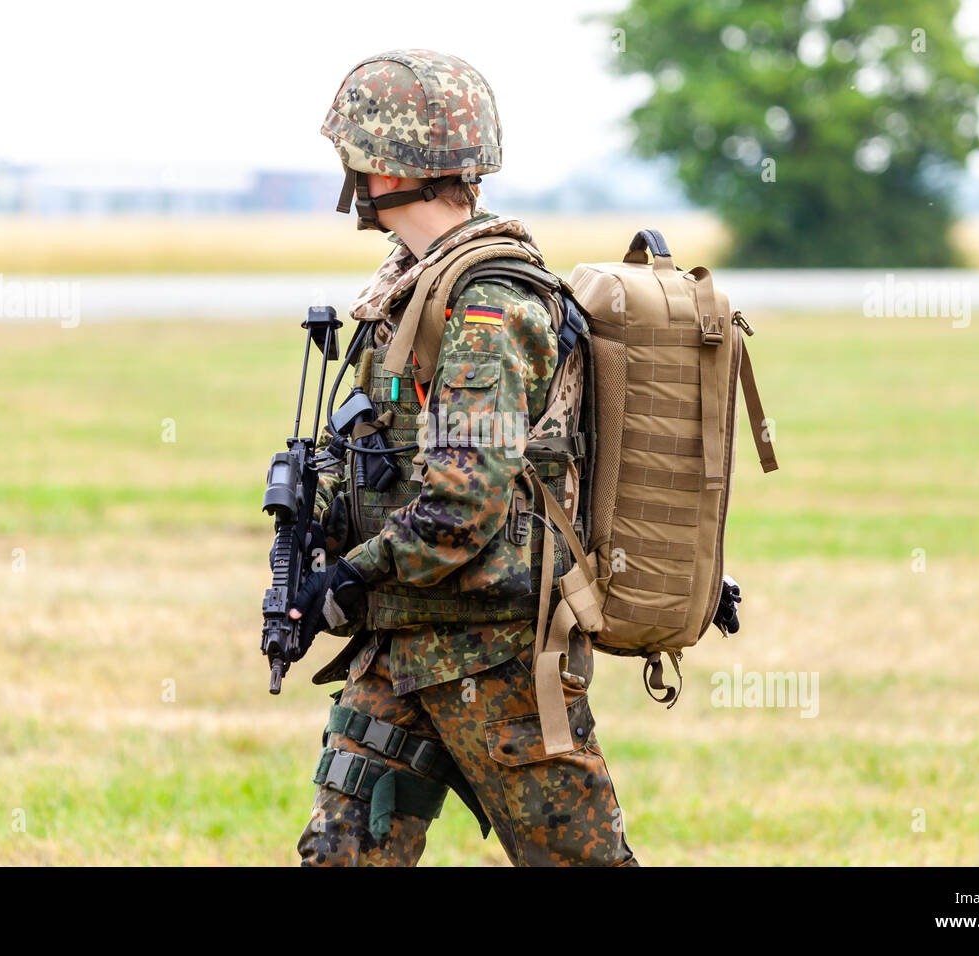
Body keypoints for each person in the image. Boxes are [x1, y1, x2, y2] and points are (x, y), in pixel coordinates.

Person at [287, 48, 637, 867]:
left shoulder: (487, 305)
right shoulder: (414, 282)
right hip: (405, 641)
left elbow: (462, 510)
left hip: (493, 658)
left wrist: (349, 579)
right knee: (340, 855)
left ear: (381, 168)